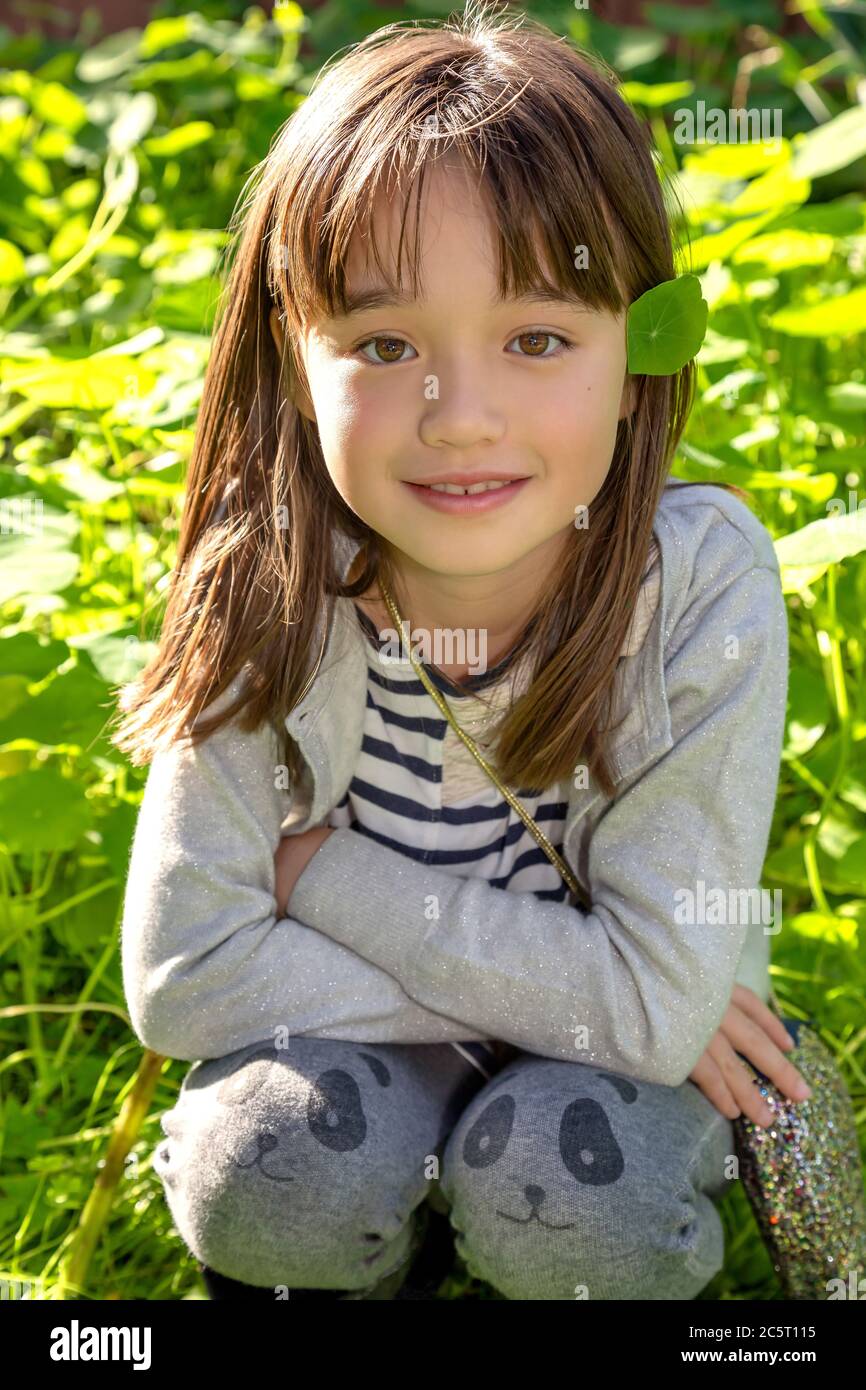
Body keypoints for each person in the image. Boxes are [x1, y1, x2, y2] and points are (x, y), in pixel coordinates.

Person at [114, 1, 810, 1301]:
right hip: (370, 1060)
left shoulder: (702, 584)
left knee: (576, 1189)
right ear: (291, 355)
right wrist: (584, 986)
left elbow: (651, 1019)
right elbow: (179, 971)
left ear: (637, 352)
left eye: (537, 336)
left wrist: (316, 872)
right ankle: (391, 1236)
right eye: (383, 345)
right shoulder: (265, 580)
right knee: (263, 1165)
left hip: (595, 1083)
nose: (460, 416)